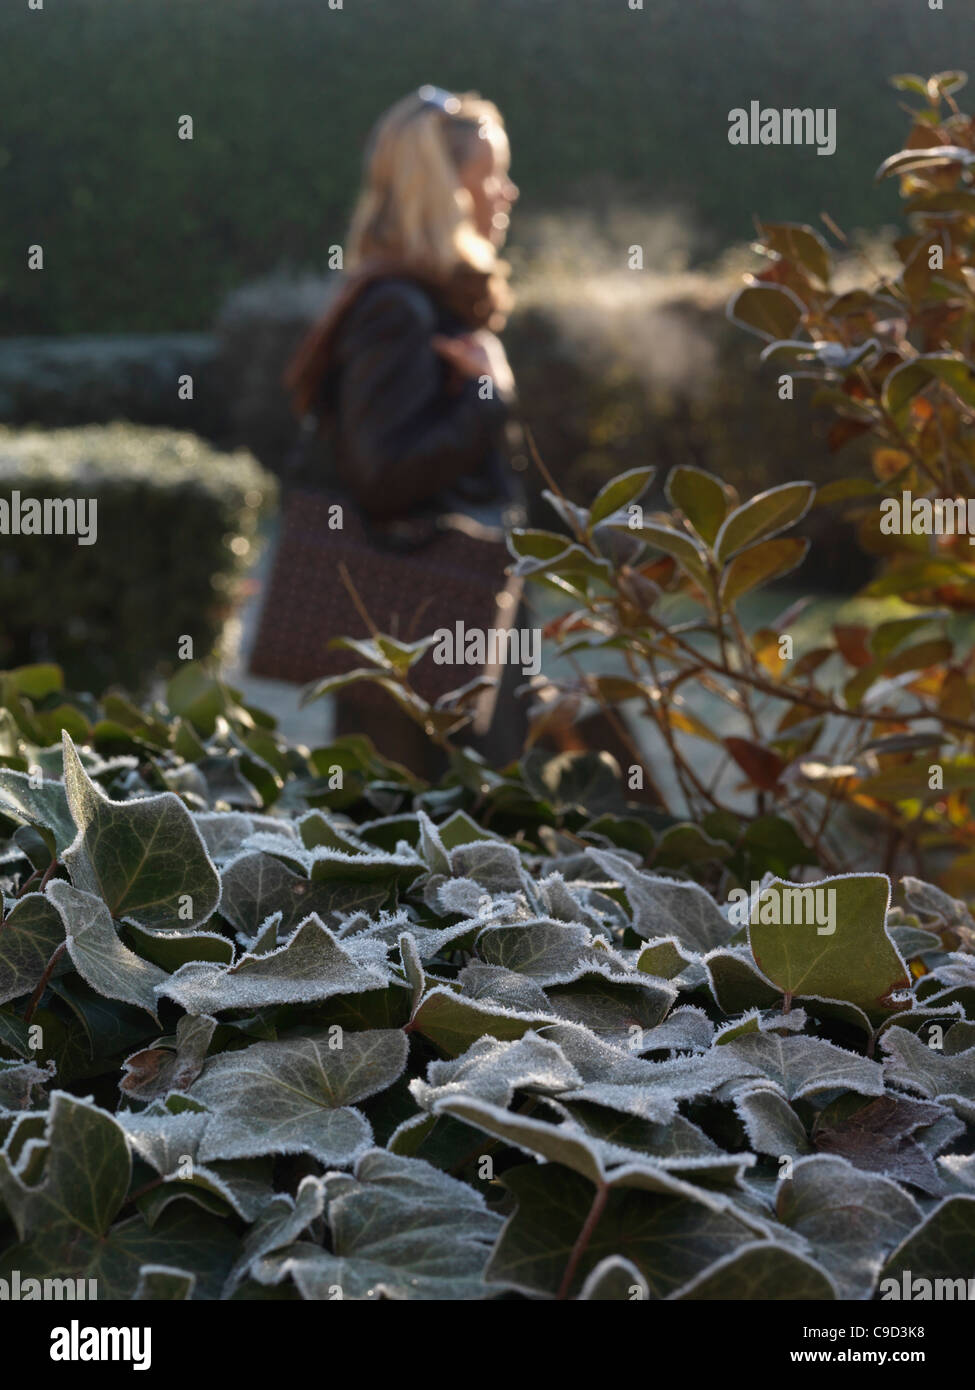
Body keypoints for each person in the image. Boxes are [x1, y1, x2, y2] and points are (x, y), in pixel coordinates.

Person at [249, 86, 527, 774]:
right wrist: (491, 394)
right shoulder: (398, 309)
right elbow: (382, 476)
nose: (507, 191)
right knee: (423, 840)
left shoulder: (421, 300)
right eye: (490, 174)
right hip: (420, 621)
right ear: (447, 189)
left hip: (430, 627)